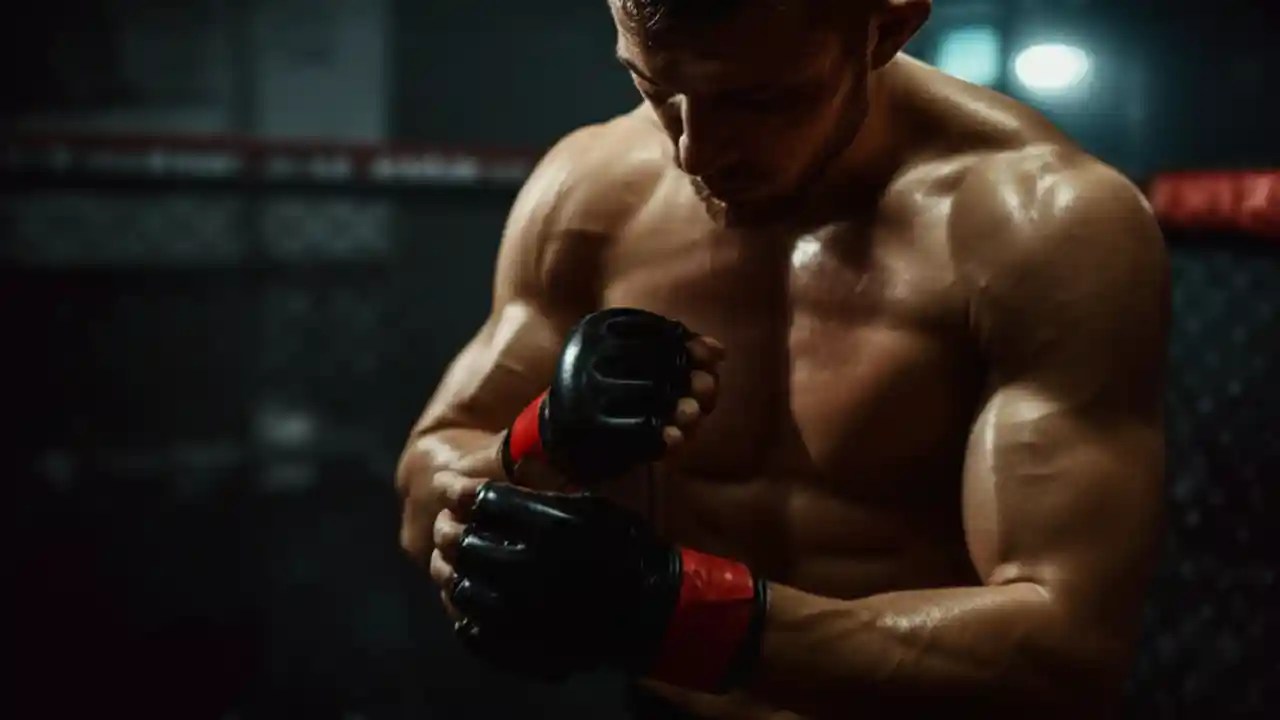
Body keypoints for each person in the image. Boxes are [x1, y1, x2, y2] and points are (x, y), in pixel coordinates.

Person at [396, 0, 1170, 717]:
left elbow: (1069, 652)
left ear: (885, 28)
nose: (694, 151)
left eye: (760, 101)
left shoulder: (1043, 227)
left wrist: (676, 615)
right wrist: (542, 441)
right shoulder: (592, 188)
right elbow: (424, 492)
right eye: (653, 86)